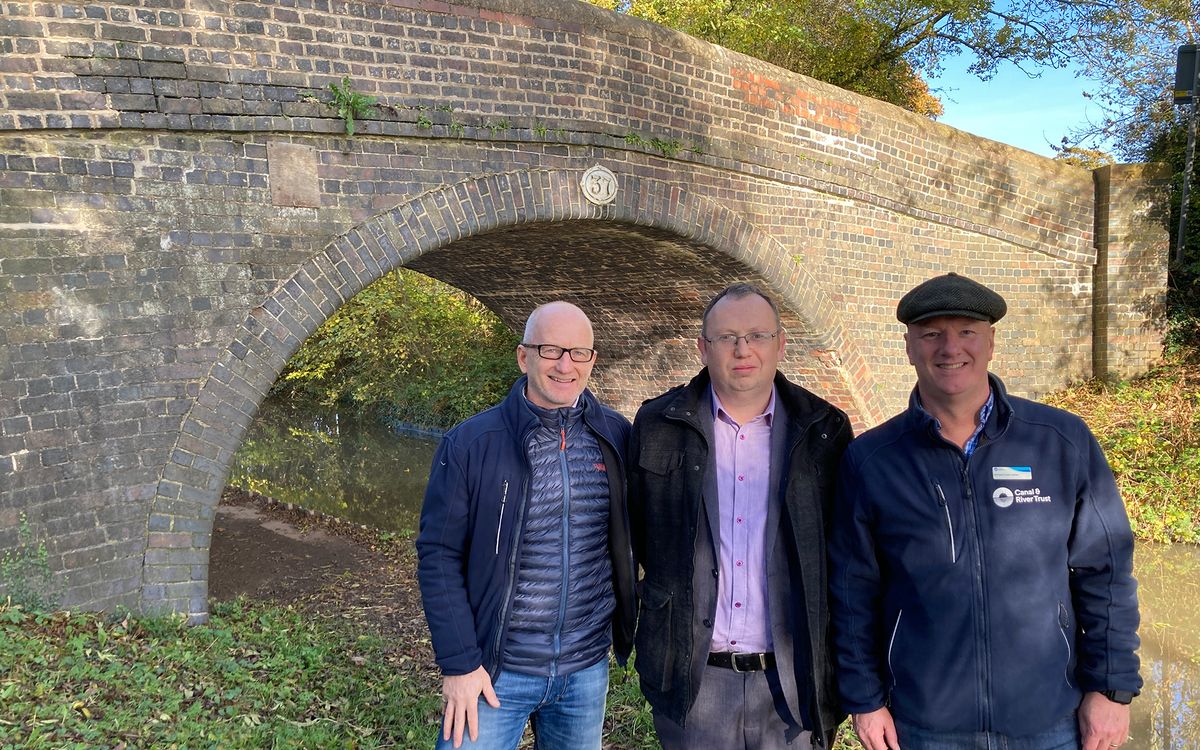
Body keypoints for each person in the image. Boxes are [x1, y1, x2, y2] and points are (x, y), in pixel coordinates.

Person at [829, 272, 1142, 750]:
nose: (950, 348)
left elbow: (1107, 572)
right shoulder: (872, 460)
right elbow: (852, 592)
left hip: (1049, 721)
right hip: (923, 725)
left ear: (991, 342)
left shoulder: (1060, 442)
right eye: (931, 334)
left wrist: (1111, 689)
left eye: (967, 332)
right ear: (909, 347)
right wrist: (865, 700)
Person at [627, 282, 854, 749]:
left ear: (780, 344)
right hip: (694, 683)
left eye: (757, 336)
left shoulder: (824, 431)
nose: (742, 349)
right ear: (703, 348)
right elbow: (640, 534)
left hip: (793, 683)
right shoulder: (659, 425)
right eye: (727, 337)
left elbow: (847, 557)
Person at [416, 301, 636, 750]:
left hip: (585, 670)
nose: (564, 365)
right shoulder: (472, 443)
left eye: (578, 353)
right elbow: (438, 555)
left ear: (592, 360)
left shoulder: (616, 435)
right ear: (523, 357)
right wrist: (459, 663)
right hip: (494, 671)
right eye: (550, 350)